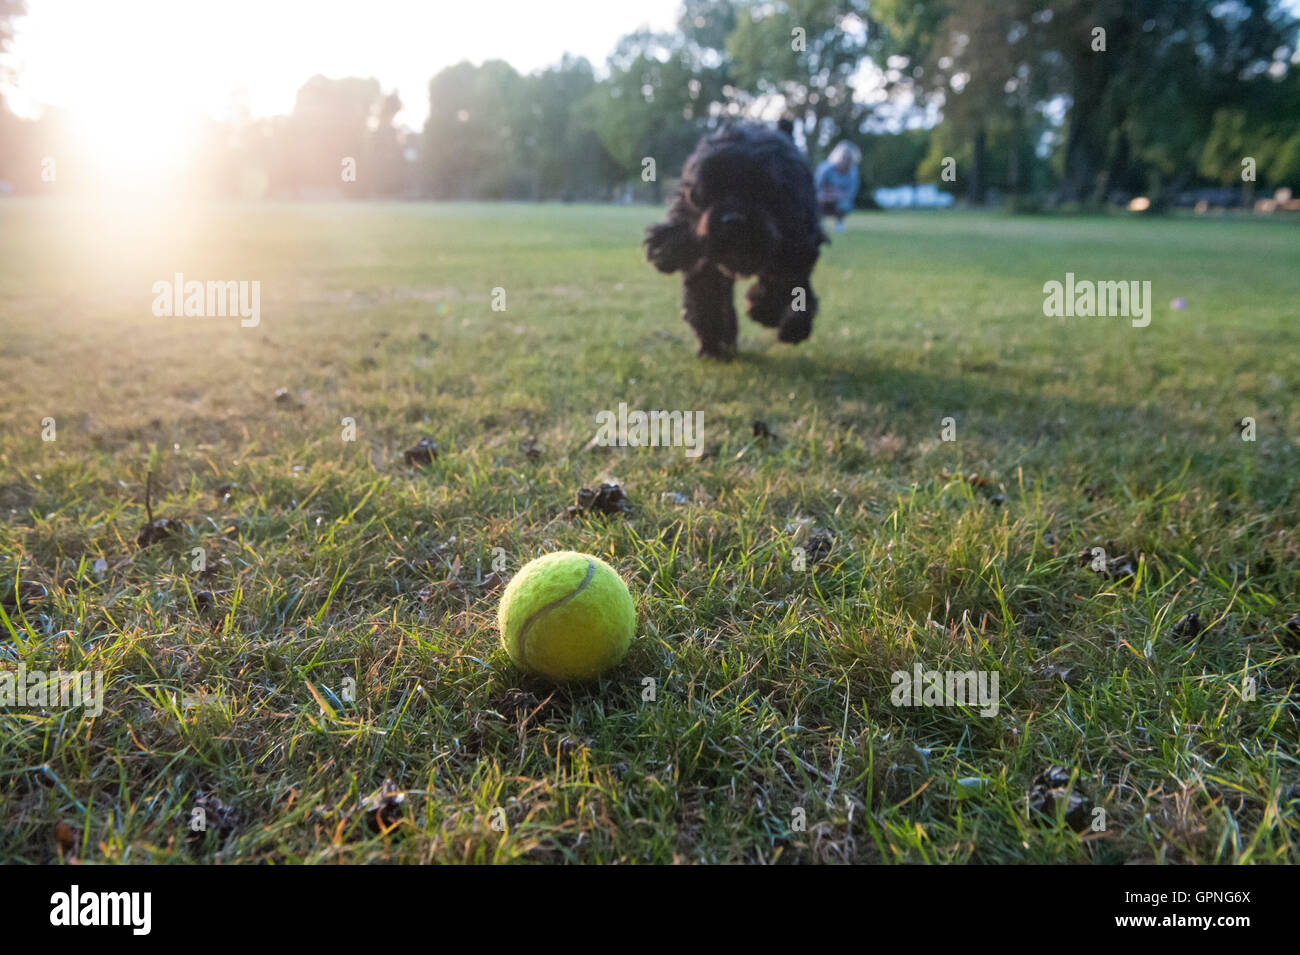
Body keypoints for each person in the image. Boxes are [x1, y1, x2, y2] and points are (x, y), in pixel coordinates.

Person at [815, 142, 861, 233]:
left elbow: (851, 193)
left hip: (840, 199)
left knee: (844, 203)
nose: (846, 161)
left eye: (848, 159)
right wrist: (827, 195)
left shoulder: (853, 173)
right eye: (844, 158)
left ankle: (839, 223)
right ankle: (819, 223)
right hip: (824, 196)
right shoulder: (825, 169)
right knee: (818, 199)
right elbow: (817, 187)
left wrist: (837, 195)